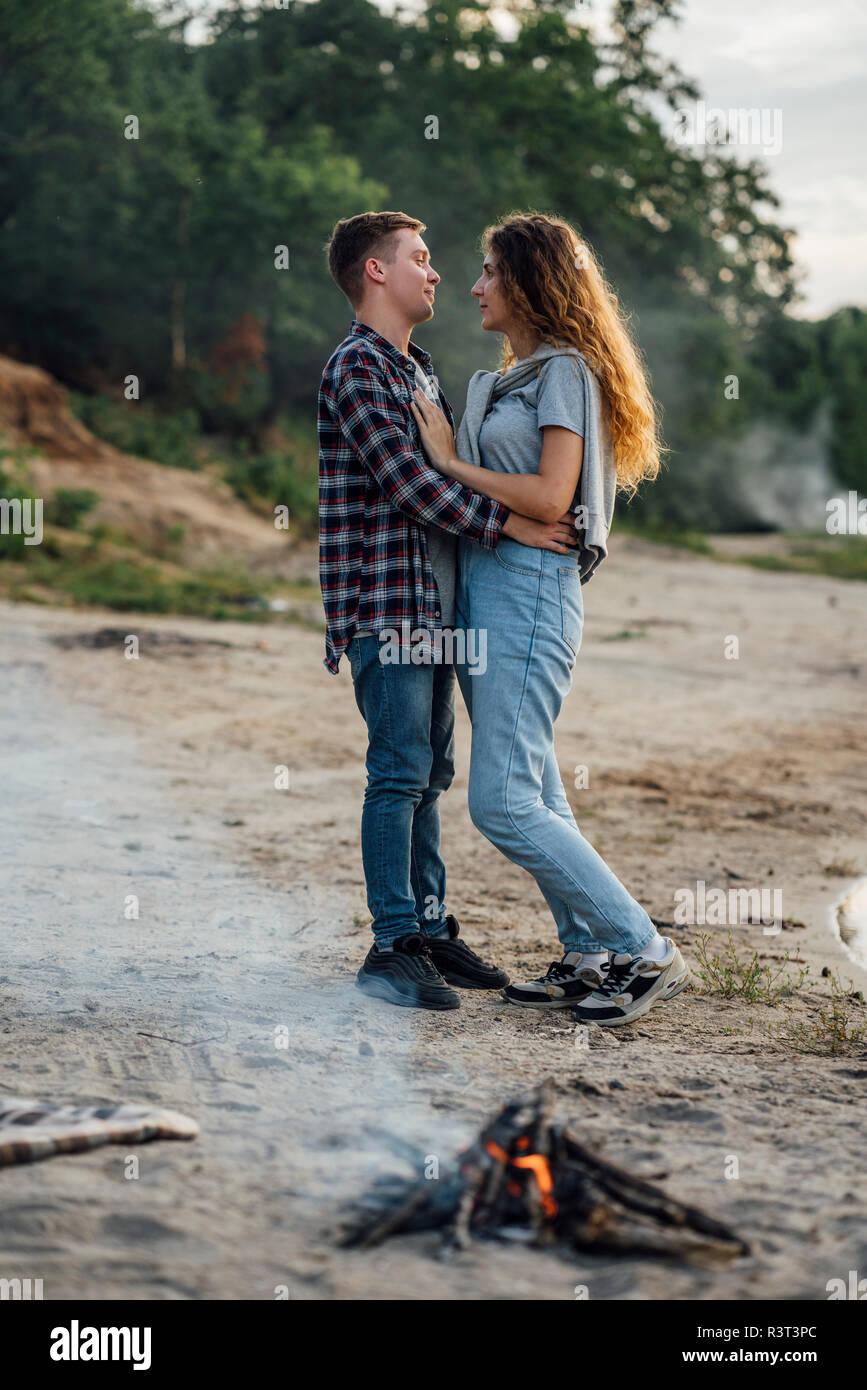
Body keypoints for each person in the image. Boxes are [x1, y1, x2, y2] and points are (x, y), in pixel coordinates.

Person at [411, 212, 688, 1028]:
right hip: (481, 595)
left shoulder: (564, 372)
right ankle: (586, 955)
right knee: (535, 787)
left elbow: (547, 498)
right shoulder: (495, 380)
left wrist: (450, 459)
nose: (473, 287)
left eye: (489, 271)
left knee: (499, 803)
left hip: (531, 592)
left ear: (529, 281)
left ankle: (644, 947)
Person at [318, 210, 579, 1010]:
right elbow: (410, 482)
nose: (436, 275)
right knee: (396, 775)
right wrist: (521, 520)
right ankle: (390, 944)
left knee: (429, 775)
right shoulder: (357, 367)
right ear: (375, 272)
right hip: (386, 604)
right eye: (420, 259)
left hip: (435, 607)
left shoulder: (418, 370)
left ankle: (428, 927)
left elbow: (450, 472)